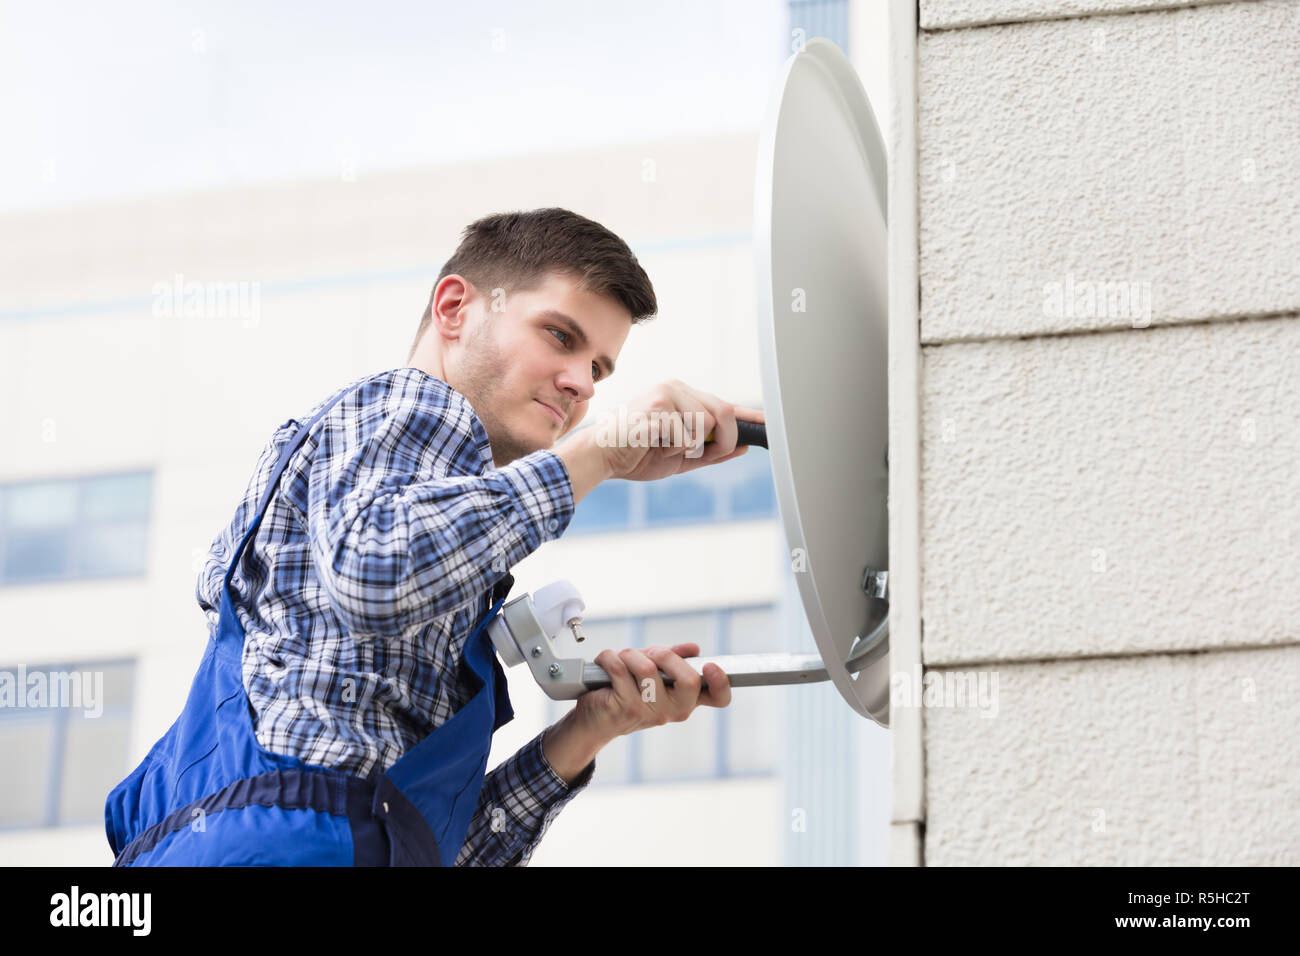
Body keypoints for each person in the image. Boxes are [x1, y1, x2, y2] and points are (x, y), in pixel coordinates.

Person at [104, 206, 763, 866]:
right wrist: (604, 451)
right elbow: (377, 572)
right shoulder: (415, 403)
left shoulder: (439, 556)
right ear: (454, 310)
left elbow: (422, 850)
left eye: (599, 369)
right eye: (560, 337)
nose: (581, 384)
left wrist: (594, 727)